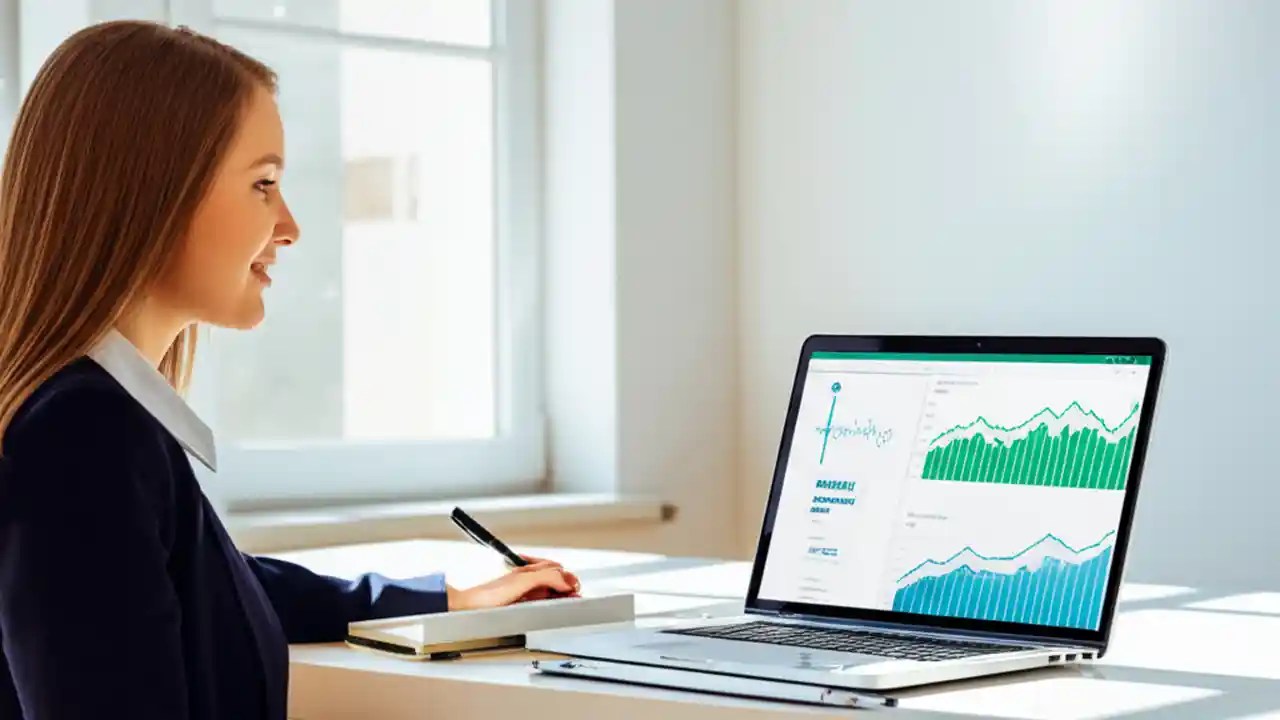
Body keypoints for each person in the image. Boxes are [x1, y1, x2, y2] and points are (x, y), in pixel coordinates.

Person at [0, 20, 578, 720]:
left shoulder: (84, 420)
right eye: (263, 184)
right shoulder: (84, 436)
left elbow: (210, 588)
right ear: (152, 191)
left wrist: (440, 599)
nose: (290, 225)